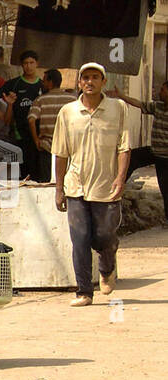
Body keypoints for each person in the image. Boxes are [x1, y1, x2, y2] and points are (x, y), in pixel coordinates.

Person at [51, 62, 129, 306]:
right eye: (85, 78)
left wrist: (120, 177)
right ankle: (84, 291)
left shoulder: (118, 108)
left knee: (104, 235)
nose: (90, 82)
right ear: (79, 82)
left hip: (107, 186)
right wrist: (59, 188)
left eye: (95, 77)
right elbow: (61, 153)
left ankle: (107, 266)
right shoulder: (68, 112)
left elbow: (124, 147)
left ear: (103, 82)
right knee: (80, 238)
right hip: (77, 186)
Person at [106, 80, 168, 220]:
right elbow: (139, 104)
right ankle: (118, 183)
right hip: (155, 152)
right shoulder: (158, 107)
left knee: (165, 188)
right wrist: (121, 96)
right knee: (132, 157)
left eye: (163, 90)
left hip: (165, 158)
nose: (160, 92)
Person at [0, 50, 45, 179]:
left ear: (37, 64)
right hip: (20, 134)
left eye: (32, 62)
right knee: (23, 171)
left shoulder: (43, 85)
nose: (29, 66)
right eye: (26, 63)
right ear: (21, 65)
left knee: (39, 172)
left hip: (40, 135)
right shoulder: (13, 84)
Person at [26, 69, 75, 184]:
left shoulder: (40, 100)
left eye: (44, 81)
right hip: (68, 146)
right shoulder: (72, 99)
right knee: (67, 180)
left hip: (47, 146)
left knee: (47, 181)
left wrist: (36, 140)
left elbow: (31, 120)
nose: (42, 83)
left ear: (50, 82)